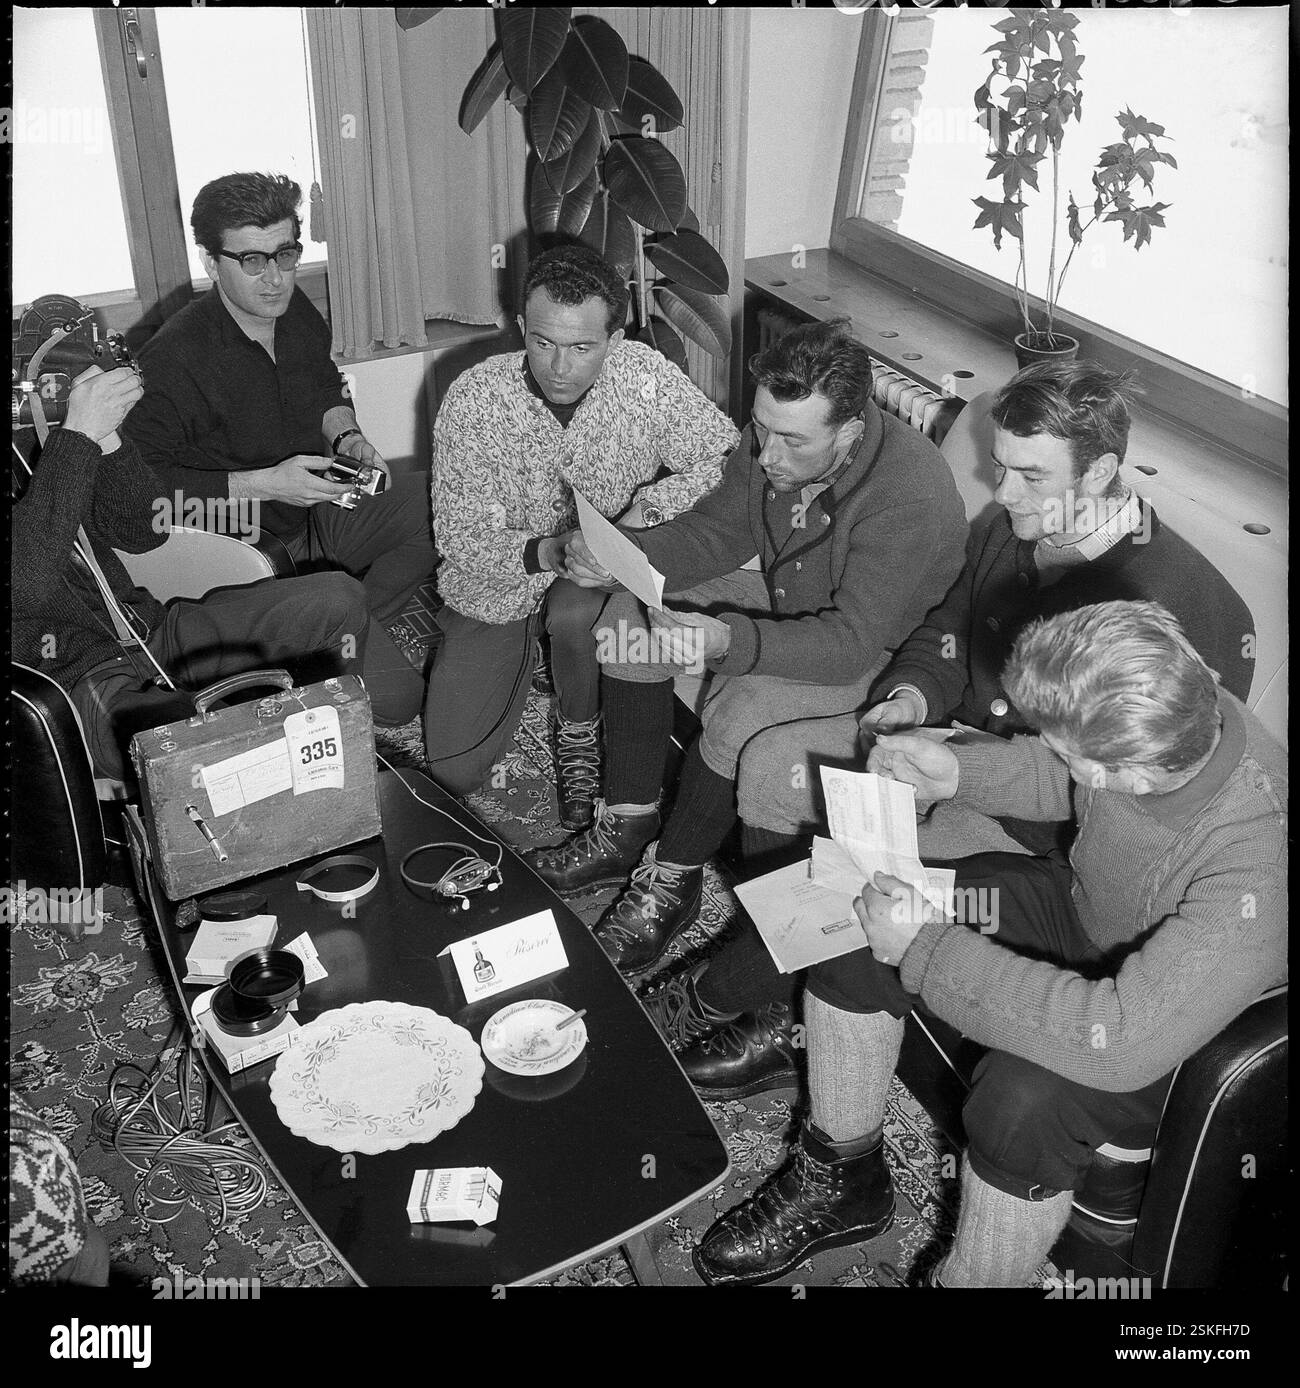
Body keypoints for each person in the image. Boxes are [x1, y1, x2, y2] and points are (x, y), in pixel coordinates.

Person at [647, 360, 1259, 1099]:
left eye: (1031, 476)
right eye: (1000, 468)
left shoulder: (1177, 607)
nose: (1002, 494)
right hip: (957, 750)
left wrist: (967, 771)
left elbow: (1128, 801)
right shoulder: (1017, 523)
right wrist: (911, 697)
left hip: (1039, 835)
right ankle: (784, 989)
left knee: (850, 881)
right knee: (777, 765)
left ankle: (746, 1002)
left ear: (1100, 473)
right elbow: (947, 629)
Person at [692, 601, 1287, 1287]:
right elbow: (1063, 776)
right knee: (863, 910)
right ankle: (842, 1178)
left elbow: (1118, 1039)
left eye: (1066, 751)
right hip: (1087, 914)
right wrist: (958, 773)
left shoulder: (1255, 864)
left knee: (1022, 1103)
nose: (1057, 758)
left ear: (1127, 775)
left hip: (1186, 1027)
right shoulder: (1181, 708)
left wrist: (924, 948)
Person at [529, 319, 968, 976]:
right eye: (763, 427)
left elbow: (848, 643)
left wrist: (729, 639)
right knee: (631, 619)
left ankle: (670, 883)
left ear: (850, 429)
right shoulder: (774, 440)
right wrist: (625, 557)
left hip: (881, 654)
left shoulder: (910, 493)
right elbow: (717, 536)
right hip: (800, 604)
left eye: (792, 439)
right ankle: (624, 826)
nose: (767, 454)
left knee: (741, 707)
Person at [424, 243, 737, 823]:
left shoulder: (643, 376)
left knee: (573, 619)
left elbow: (723, 459)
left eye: (582, 347)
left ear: (614, 341)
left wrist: (641, 516)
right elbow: (458, 535)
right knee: (452, 770)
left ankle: (577, 731)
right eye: (543, 342)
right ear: (521, 326)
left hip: (598, 570)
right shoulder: (472, 397)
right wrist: (547, 550)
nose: (559, 367)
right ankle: (512, 652)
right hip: (500, 581)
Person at [123, 171, 428, 725]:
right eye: (253, 261)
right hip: (246, 550)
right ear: (212, 263)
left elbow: (321, 381)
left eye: (285, 254)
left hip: (315, 509)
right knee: (400, 705)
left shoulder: (291, 308)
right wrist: (264, 483)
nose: (275, 280)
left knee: (439, 501)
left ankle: (341, 622)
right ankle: (324, 624)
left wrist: (346, 435)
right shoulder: (171, 362)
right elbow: (142, 495)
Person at [12, 365, 372, 781]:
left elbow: (143, 532)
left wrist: (107, 438)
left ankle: (334, 745)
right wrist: (76, 437)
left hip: (152, 633)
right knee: (204, 749)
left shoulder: (30, 437)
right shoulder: (62, 444)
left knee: (339, 600)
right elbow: (27, 587)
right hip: (75, 683)